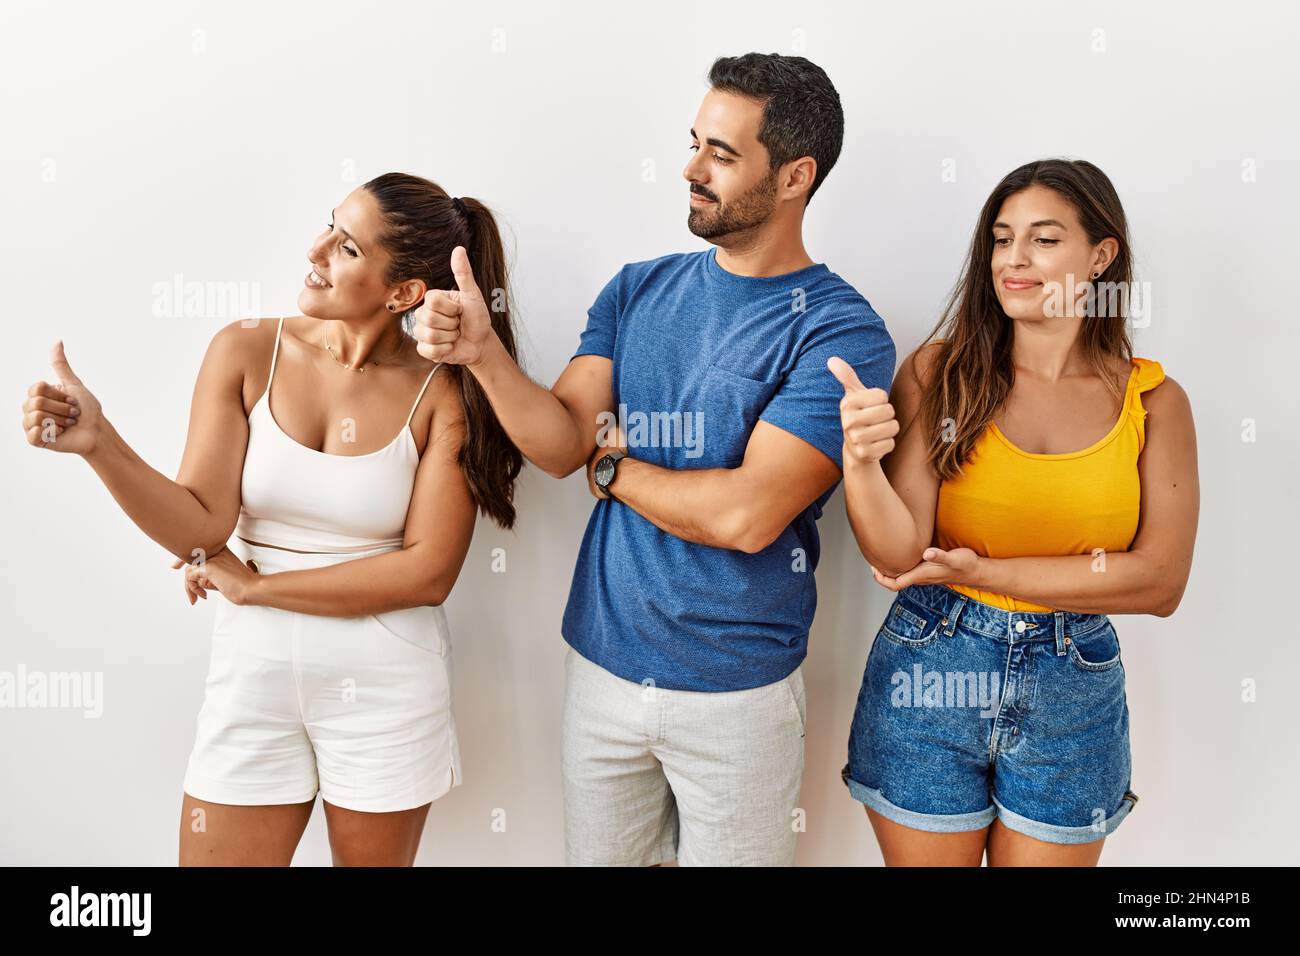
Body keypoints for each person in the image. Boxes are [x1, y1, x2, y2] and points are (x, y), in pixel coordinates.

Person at [412, 53, 895, 865]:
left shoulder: (840, 333)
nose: (690, 169)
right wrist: (483, 355)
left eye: (722, 154)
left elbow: (747, 517)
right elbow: (564, 439)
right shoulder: (639, 289)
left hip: (739, 696)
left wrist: (617, 472)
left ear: (795, 177)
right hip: (603, 672)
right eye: (694, 142)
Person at [20, 172, 521, 866]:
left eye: (346, 247)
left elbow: (428, 572)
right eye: (328, 225)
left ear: (402, 292)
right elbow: (201, 529)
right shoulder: (246, 349)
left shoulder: (444, 392)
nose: (315, 249)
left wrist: (258, 589)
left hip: (387, 689)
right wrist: (100, 445)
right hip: (252, 680)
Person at [831, 158, 1199, 865]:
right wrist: (859, 464)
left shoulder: (1155, 403)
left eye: (1044, 238)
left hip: (1074, 686)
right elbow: (898, 556)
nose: (1015, 259)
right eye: (1002, 240)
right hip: (931, 667)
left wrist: (988, 570)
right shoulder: (939, 373)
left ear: (1101, 256)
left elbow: (1159, 582)